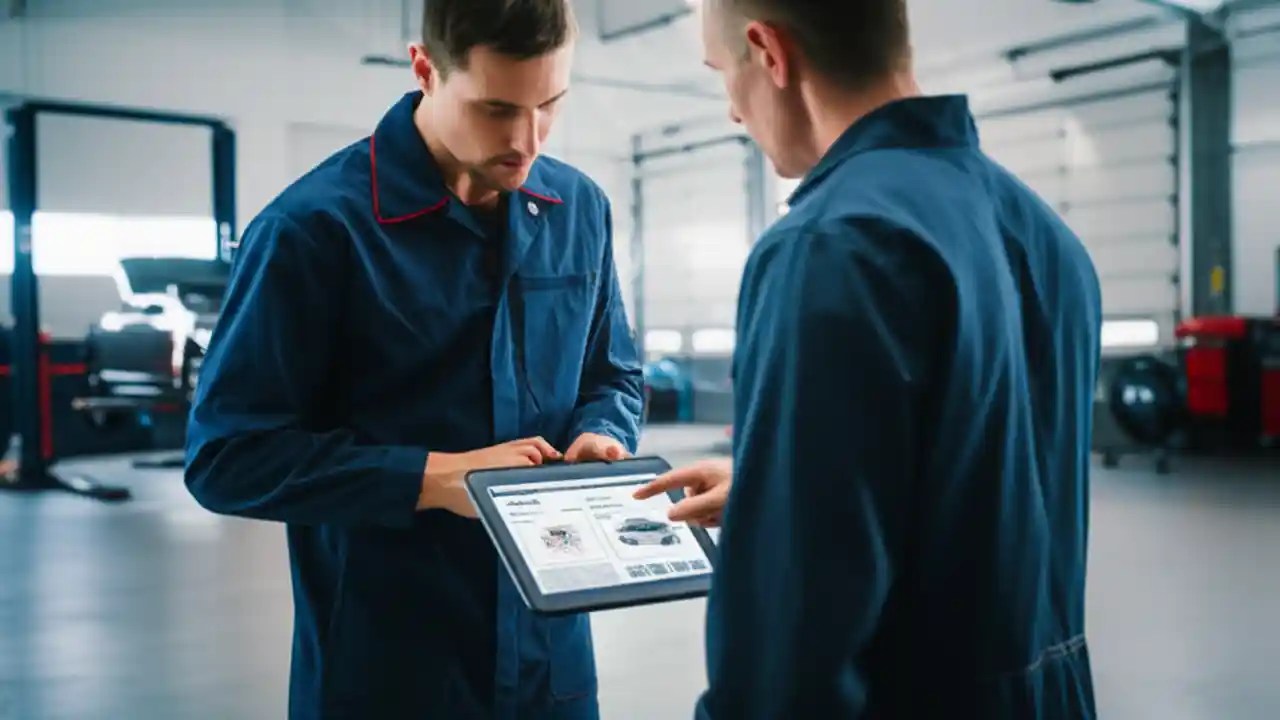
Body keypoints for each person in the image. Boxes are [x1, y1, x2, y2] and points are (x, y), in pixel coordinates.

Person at [635, 0, 1102, 717]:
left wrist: (792, 506)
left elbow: (790, 651)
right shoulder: (1043, 233)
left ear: (768, 53)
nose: (733, 110)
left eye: (723, 73)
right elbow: (986, 486)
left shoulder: (834, 244)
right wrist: (780, 481)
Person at [184, 1, 643, 717]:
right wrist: (431, 478)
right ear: (425, 69)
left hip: (549, 663)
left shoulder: (578, 208)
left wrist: (604, 433)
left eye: (550, 104)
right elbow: (228, 459)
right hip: (389, 666)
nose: (527, 140)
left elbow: (614, 374)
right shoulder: (311, 231)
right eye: (496, 108)